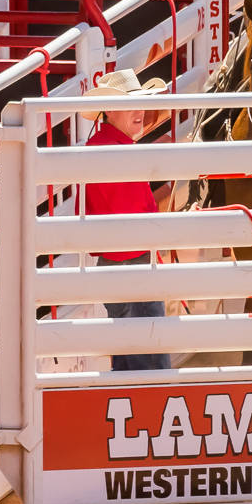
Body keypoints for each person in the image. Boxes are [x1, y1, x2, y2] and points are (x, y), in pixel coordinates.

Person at [82, 70, 172, 373]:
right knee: (150, 358)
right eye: (131, 105)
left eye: (141, 104)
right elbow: (135, 215)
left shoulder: (102, 145)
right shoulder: (114, 149)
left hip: (118, 262)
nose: (140, 112)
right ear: (110, 110)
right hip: (132, 263)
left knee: (127, 358)